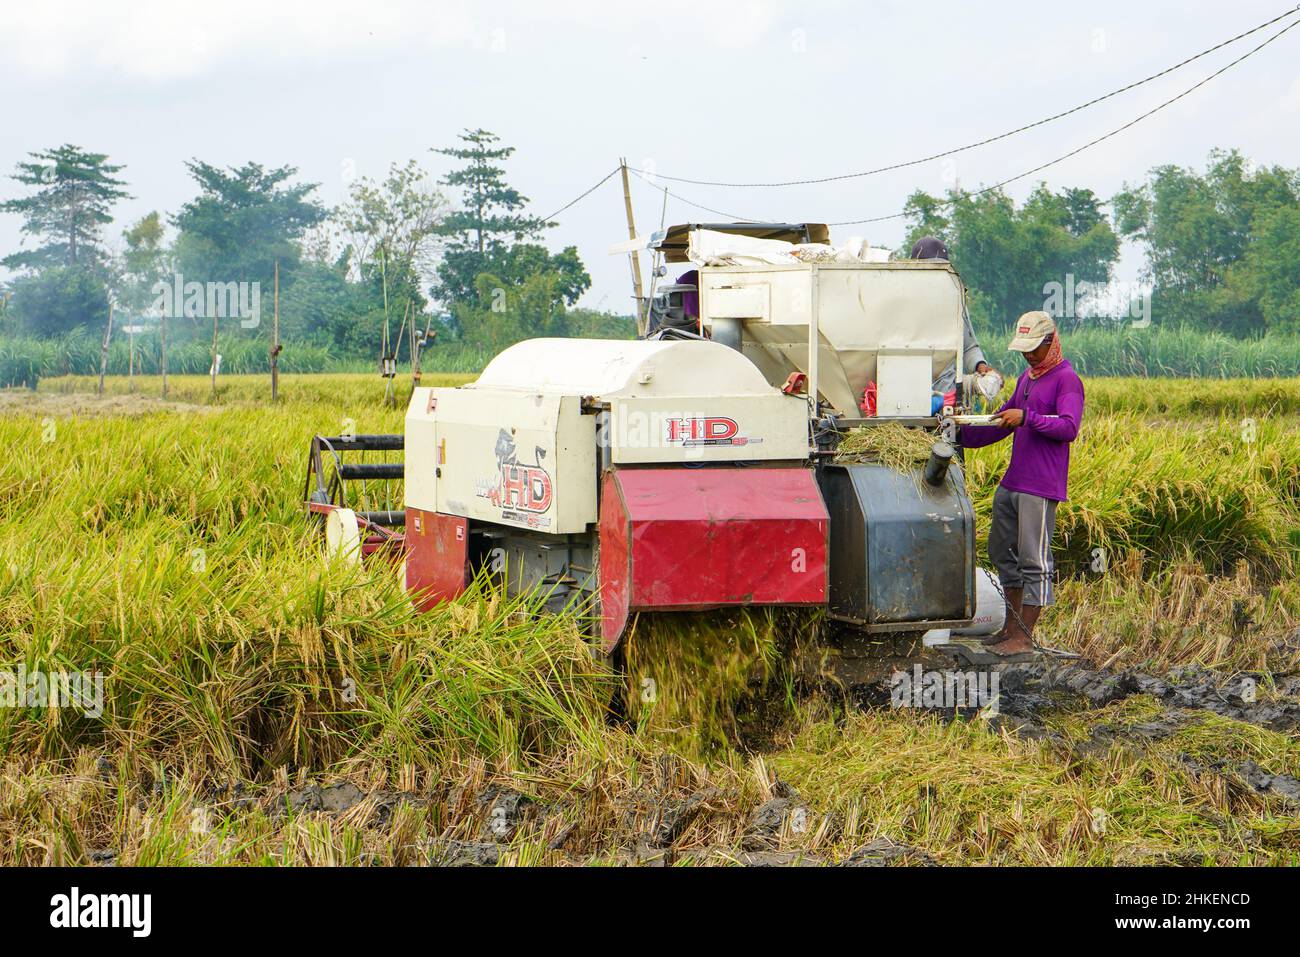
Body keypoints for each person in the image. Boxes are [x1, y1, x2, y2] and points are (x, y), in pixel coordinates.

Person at [958, 310, 1084, 659]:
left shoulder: (1066, 380)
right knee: (1003, 553)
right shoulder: (1028, 378)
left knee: (1035, 560)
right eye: (1024, 349)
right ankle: (1009, 629)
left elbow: (1069, 427)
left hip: (1040, 486)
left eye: (1034, 348)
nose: (1028, 354)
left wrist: (1028, 417)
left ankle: (1024, 636)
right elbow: (1003, 422)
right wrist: (961, 434)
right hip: (1013, 481)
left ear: (1050, 341)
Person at [909, 236, 996, 400]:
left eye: (938, 271)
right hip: (906, 397)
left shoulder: (954, 302)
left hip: (946, 397)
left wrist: (980, 365)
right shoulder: (901, 303)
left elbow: (969, 347)